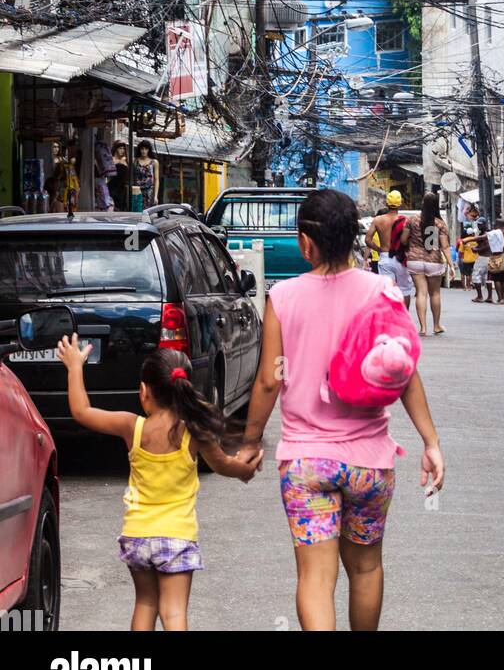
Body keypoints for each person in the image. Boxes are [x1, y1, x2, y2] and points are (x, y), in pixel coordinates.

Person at [239, 188, 445, 632]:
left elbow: (271, 378)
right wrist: (431, 442)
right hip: (369, 464)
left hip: (307, 463)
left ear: (305, 243)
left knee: (315, 578)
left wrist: (251, 442)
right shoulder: (382, 290)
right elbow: (403, 371)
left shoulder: (284, 298)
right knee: (367, 568)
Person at [56, 338, 261, 631]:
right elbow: (224, 465)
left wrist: (75, 367)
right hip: (176, 537)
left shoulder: (133, 427)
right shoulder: (194, 432)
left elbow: (82, 412)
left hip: (137, 535)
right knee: (174, 612)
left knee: (145, 604)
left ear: (144, 391)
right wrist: (245, 470)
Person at [406, 191, 449, 336]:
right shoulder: (440, 224)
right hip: (434, 261)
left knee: (421, 293)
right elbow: (445, 246)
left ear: (423, 204)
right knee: (435, 293)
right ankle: (436, 326)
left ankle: (423, 328)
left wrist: (411, 245)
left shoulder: (412, 220)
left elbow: (403, 240)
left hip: (415, 260)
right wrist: (450, 263)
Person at [471, 217, 493, 304]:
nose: (479, 225)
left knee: (476, 275)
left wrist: (477, 249)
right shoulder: (485, 233)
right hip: (488, 258)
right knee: (487, 277)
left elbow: (487, 246)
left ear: (484, 224)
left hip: (483, 257)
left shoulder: (486, 234)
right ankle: (489, 297)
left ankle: (480, 296)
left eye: (480, 224)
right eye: (478, 224)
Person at [134, 140, 160, 209]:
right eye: (142, 149)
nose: (144, 151)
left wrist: (155, 196)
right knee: (137, 212)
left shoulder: (154, 162)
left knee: (148, 213)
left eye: (146, 149)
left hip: (149, 192)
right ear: (139, 149)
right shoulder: (135, 161)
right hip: (137, 191)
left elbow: (156, 180)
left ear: (149, 150)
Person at [487, 219, 504, 304]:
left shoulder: (494, 233)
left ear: (497, 225)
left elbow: (489, 245)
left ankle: (500, 298)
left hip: (496, 258)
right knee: (502, 278)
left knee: (496, 279)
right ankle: (502, 297)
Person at [108, 141, 129, 210]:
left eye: (123, 149)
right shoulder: (111, 159)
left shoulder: (126, 160)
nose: (122, 150)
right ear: (116, 149)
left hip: (123, 188)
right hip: (112, 187)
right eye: (120, 148)